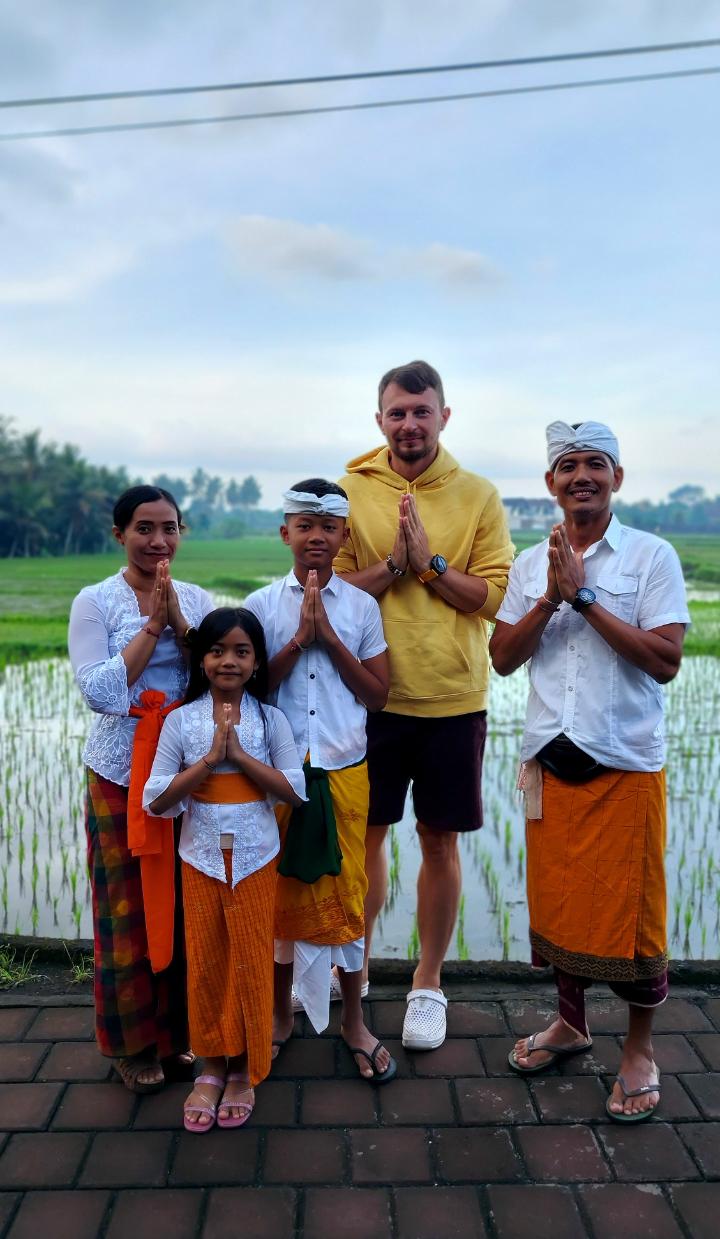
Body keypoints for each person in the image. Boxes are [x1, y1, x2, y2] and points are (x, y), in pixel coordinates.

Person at [490, 420, 689, 1122]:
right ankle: (571, 1025)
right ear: (550, 483)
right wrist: (549, 595)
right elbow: (503, 658)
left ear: (617, 478)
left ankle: (640, 1049)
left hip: (625, 764)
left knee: (636, 919)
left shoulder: (650, 556)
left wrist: (584, 598)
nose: (582, 475)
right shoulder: (526, 565)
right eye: (568, 464)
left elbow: (666, 662)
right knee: (561, 901)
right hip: (550, 759)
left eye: (595, 464)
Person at [334, 360, 513, 1050]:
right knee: (368, 835)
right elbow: (328, 583)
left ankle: (428, 982)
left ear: (444, 416)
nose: (410, 424)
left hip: (450, 694)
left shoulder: (479, 495)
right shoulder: (350, 491)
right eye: (397, 412)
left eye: (422, 411)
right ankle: (358, 966)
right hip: (369, 694)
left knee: (440, 839)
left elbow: (494, 596)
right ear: (379, 420)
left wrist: (432, 563)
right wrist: (395, 567)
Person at [244, 479, 396, 1083]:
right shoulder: (259, 606)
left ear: (344, 536)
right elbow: (250, 687)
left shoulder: (361, 608)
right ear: (285, 532)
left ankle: (353, 1019)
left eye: (327, 527)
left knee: (348, 897)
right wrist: (296, 641)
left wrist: (329, 639)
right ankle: (279, 1015)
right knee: (279, 897)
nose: (315, 536)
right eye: (304, 525)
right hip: (278, 775)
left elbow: (378, 696)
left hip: (342, 772)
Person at [68, 485, 214, 1092]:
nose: (159, 541)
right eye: (144, 529)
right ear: (119, 534)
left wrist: (181, 620)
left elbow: (222, 672)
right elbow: (101, 693)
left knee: (186, 909)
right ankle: (131, 1044)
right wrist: (152, 626)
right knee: (124, 912)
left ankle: (178, 1038)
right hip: (119, 774)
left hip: (186, 771)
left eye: (170, 529)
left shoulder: (199, 598)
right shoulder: (95, 601)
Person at [143, 608, 305, 1131]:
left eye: (241, 651)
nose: (228, 661)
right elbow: (158, 800)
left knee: (252, 958)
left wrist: (240, 755)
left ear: (257, 662)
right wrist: (211, 760)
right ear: (201, 660)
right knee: (208, 958)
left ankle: (244, 1067)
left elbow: (294, 791)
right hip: (201, 857)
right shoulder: (180, 721)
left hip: (257, 856)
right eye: (217, 651)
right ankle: (211, 1063)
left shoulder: (269, 720)